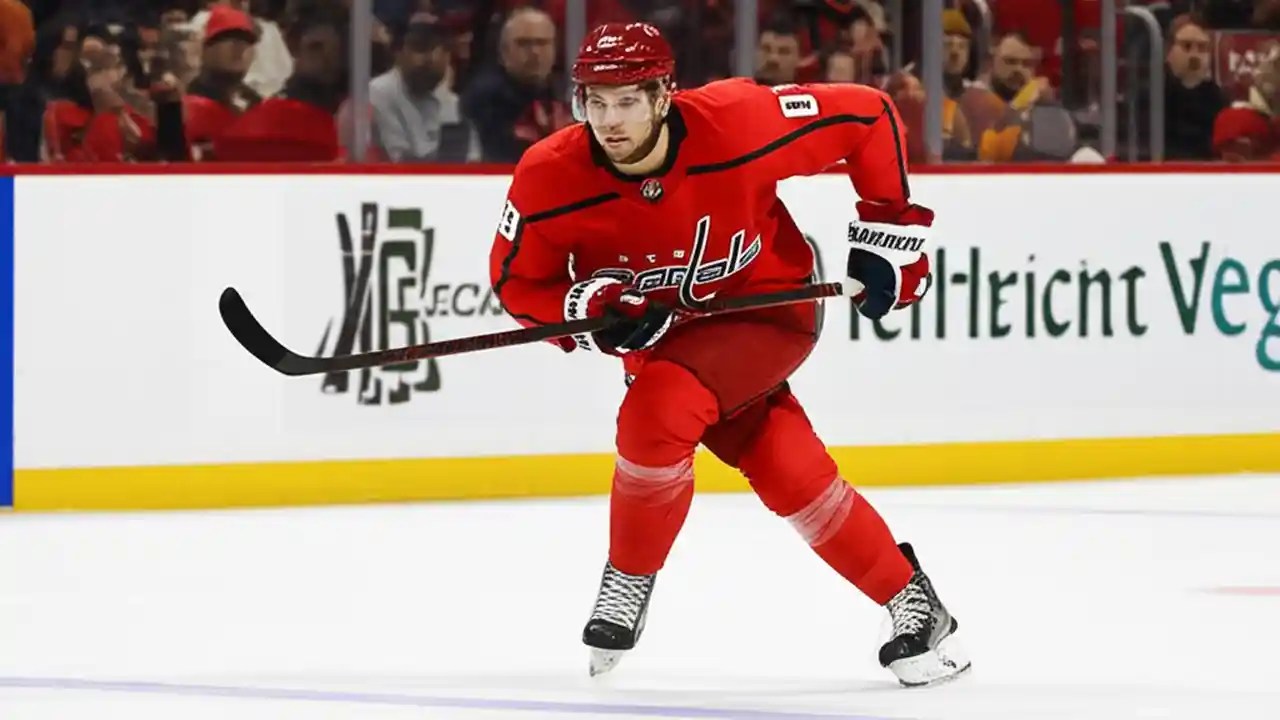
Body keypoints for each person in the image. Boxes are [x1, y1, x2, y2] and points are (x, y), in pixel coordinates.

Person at [487, 22, 969, 688]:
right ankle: (913, 601)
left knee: (659, 411)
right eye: (595, 102)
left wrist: (887, 232)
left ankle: (627, 578)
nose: (609, 120)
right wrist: (587, 303)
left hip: (766, 310)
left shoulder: (739, 123)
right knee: (786, 467)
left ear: (664, 95)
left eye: (628, 100)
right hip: (671, 338)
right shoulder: (549, 174)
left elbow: (867, 114)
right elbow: (517, 281)